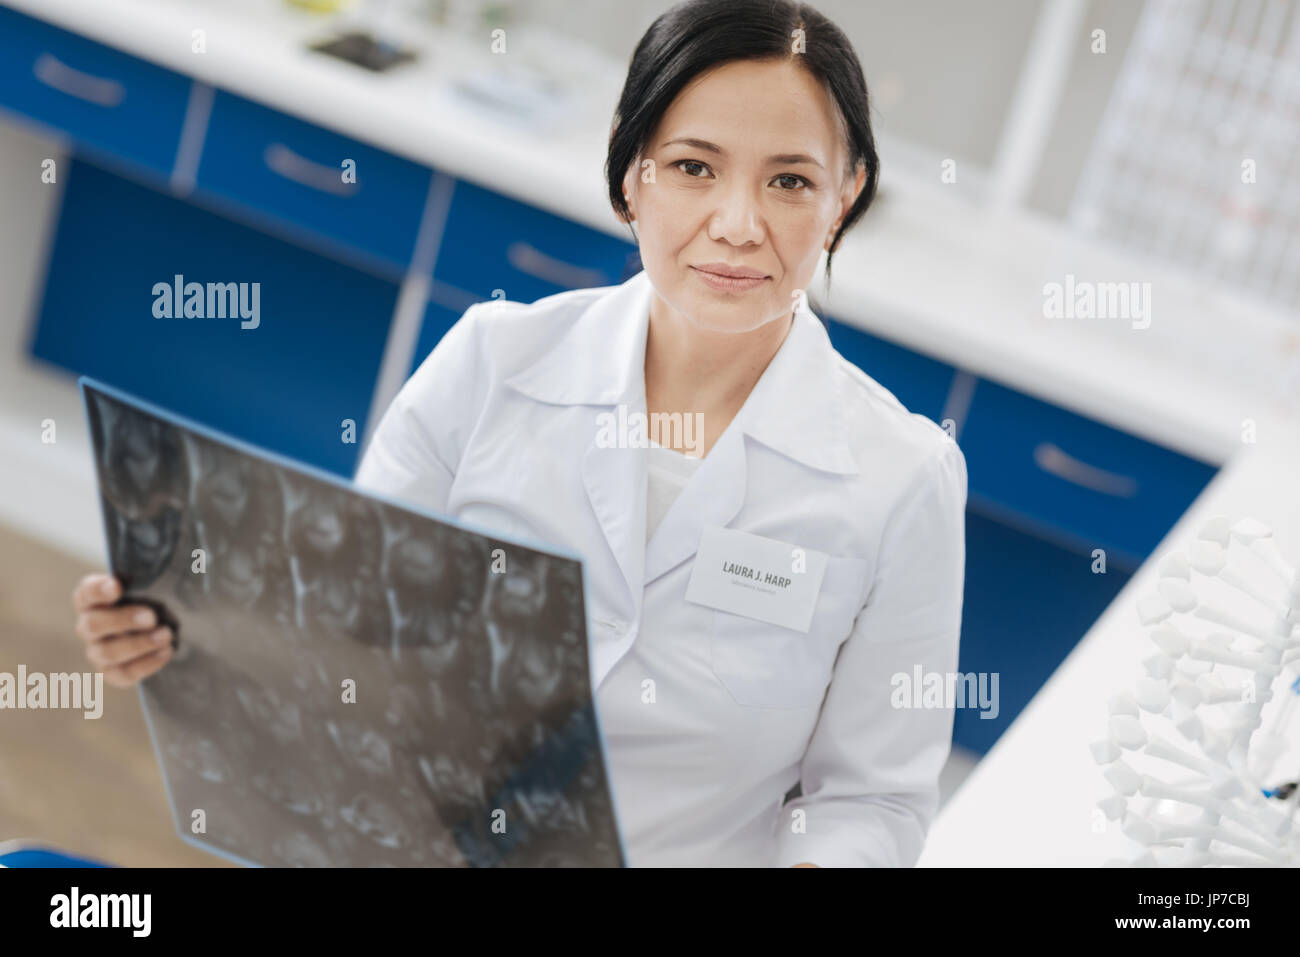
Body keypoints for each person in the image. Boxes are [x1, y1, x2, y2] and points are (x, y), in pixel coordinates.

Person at [72, 0, 967, 867]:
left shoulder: (902, 480)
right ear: (632, 172)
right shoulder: (493, 364)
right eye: (695, 166)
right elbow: (342, 637)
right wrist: (182, 635)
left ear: (844, 198)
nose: (737, 224)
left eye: (790, 181)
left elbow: (872, 799)